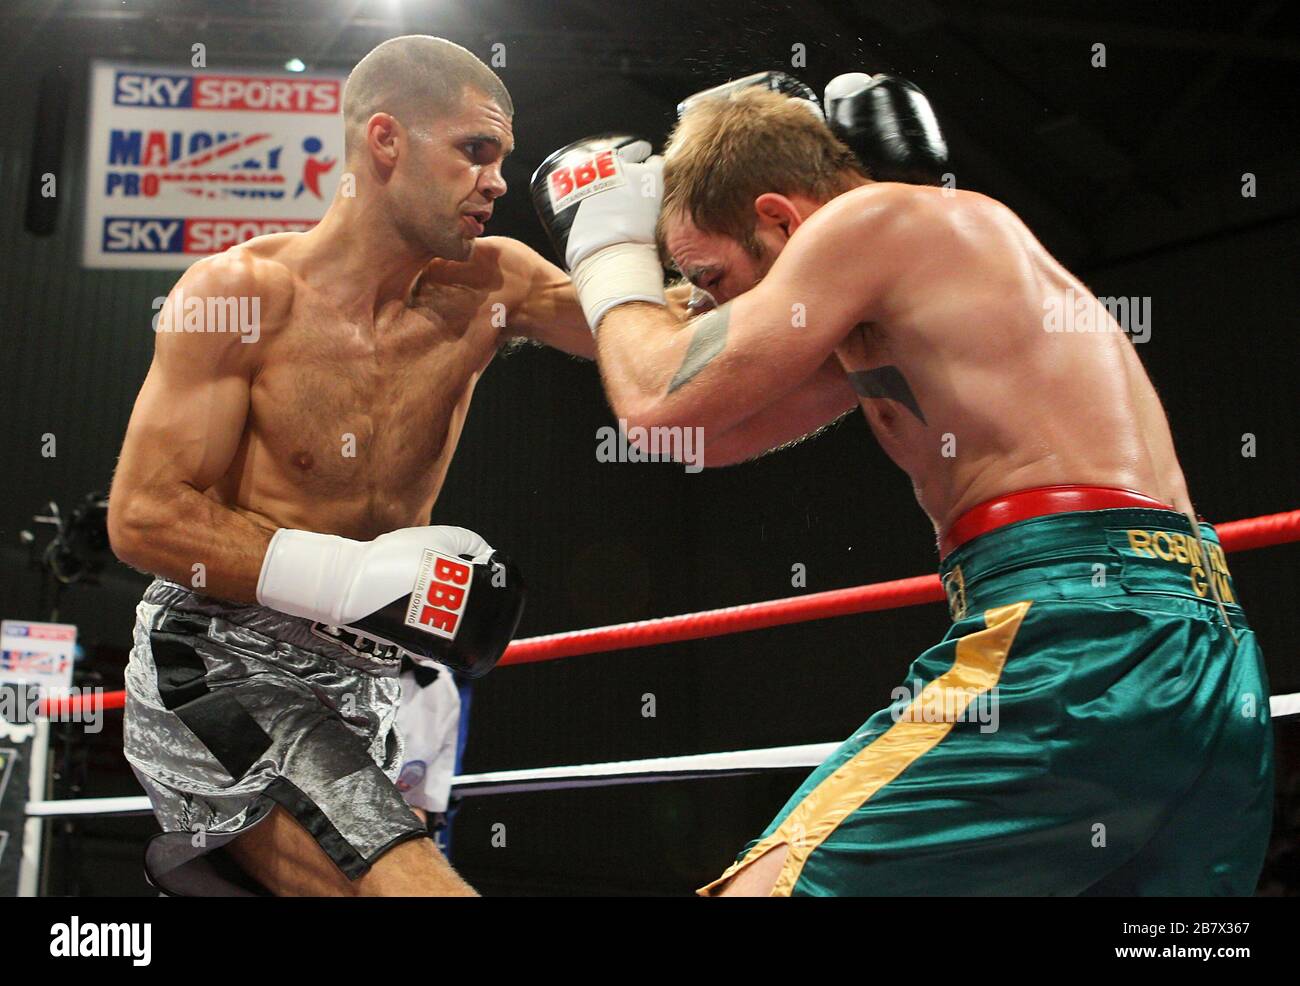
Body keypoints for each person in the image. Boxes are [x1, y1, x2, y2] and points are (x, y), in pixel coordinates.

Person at [533, 73, 1273, 896]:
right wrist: (531, 307)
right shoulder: (924, 272)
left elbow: (655, 406)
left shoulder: (869, 220)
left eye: (710, 276)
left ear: (781, 218)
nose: (715, 304)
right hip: (1201, 650)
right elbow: (711, 429)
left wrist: (606, 249)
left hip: (1072, 633)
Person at [108, 35, 596, 897]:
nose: (496, 181)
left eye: (503, 160)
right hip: (223, 657)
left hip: (371, 679)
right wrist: (354, 577)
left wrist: (636, 235)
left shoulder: (497, 285)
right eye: (475, 151)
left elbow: (668, 353)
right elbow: (144, 516)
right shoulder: (243, 293)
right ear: (386, 141)